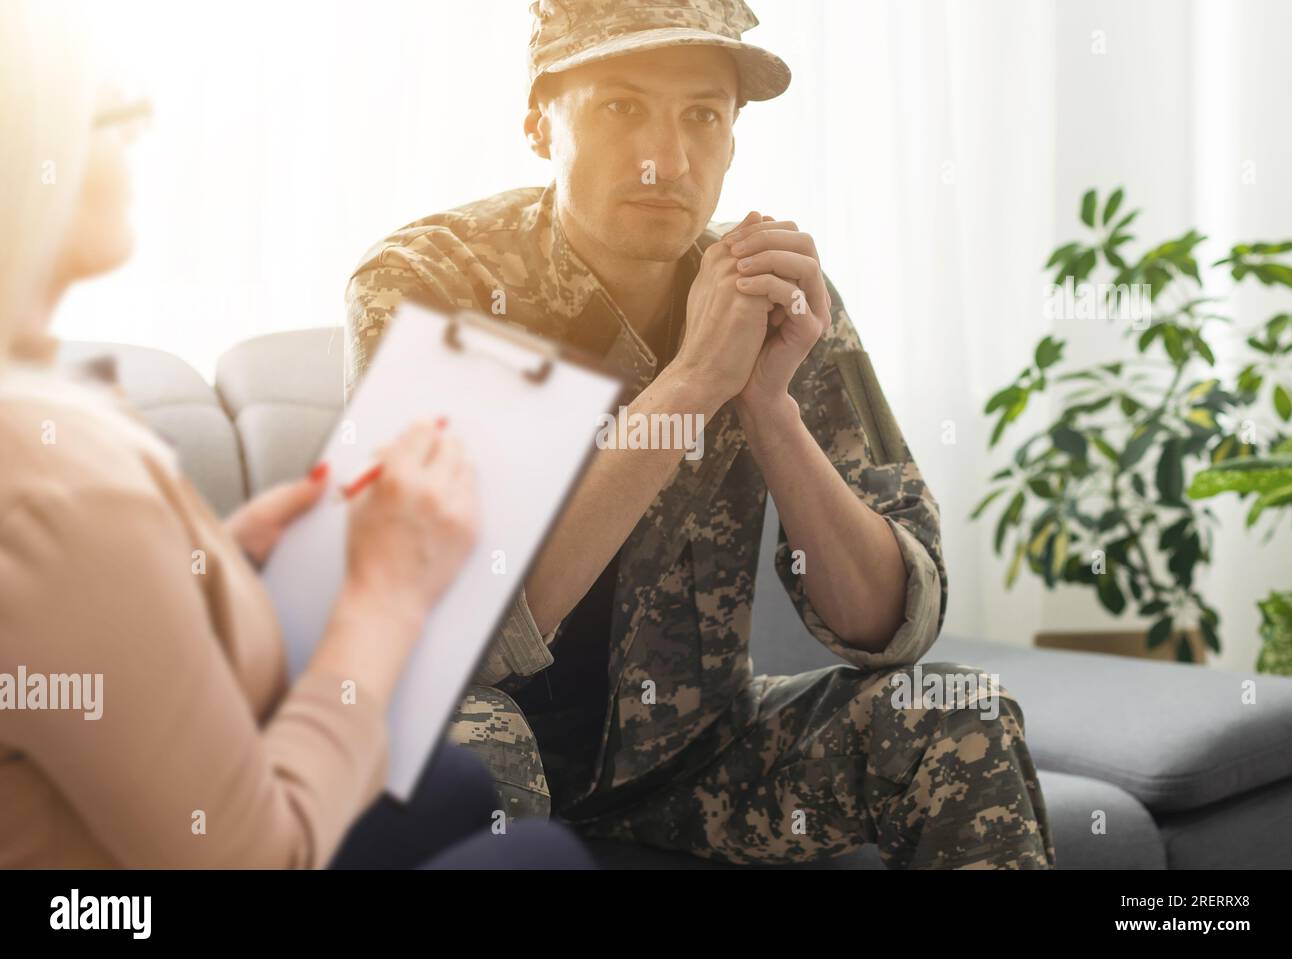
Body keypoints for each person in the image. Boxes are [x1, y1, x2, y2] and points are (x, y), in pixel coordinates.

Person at [345, 0, 1055, 868]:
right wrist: (692, 382)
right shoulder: (434, 282)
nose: (665, 159)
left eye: (703, 116)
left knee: (959, 718)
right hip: (470, 730)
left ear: (733, 139)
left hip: (689, 761)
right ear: (539, 123)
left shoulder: (772, 295)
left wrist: (768, 408)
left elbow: (891, 626)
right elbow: (463, 633)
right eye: (620, 107)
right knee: (476, 750)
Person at [0, 0, 589, 870]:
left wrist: (211, 564)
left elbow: (62, 609)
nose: (142, 120)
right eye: (107, 103)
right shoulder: (60, 476)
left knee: (456, 787)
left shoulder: (47, 407)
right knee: (538, 858)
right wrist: (384, 591)